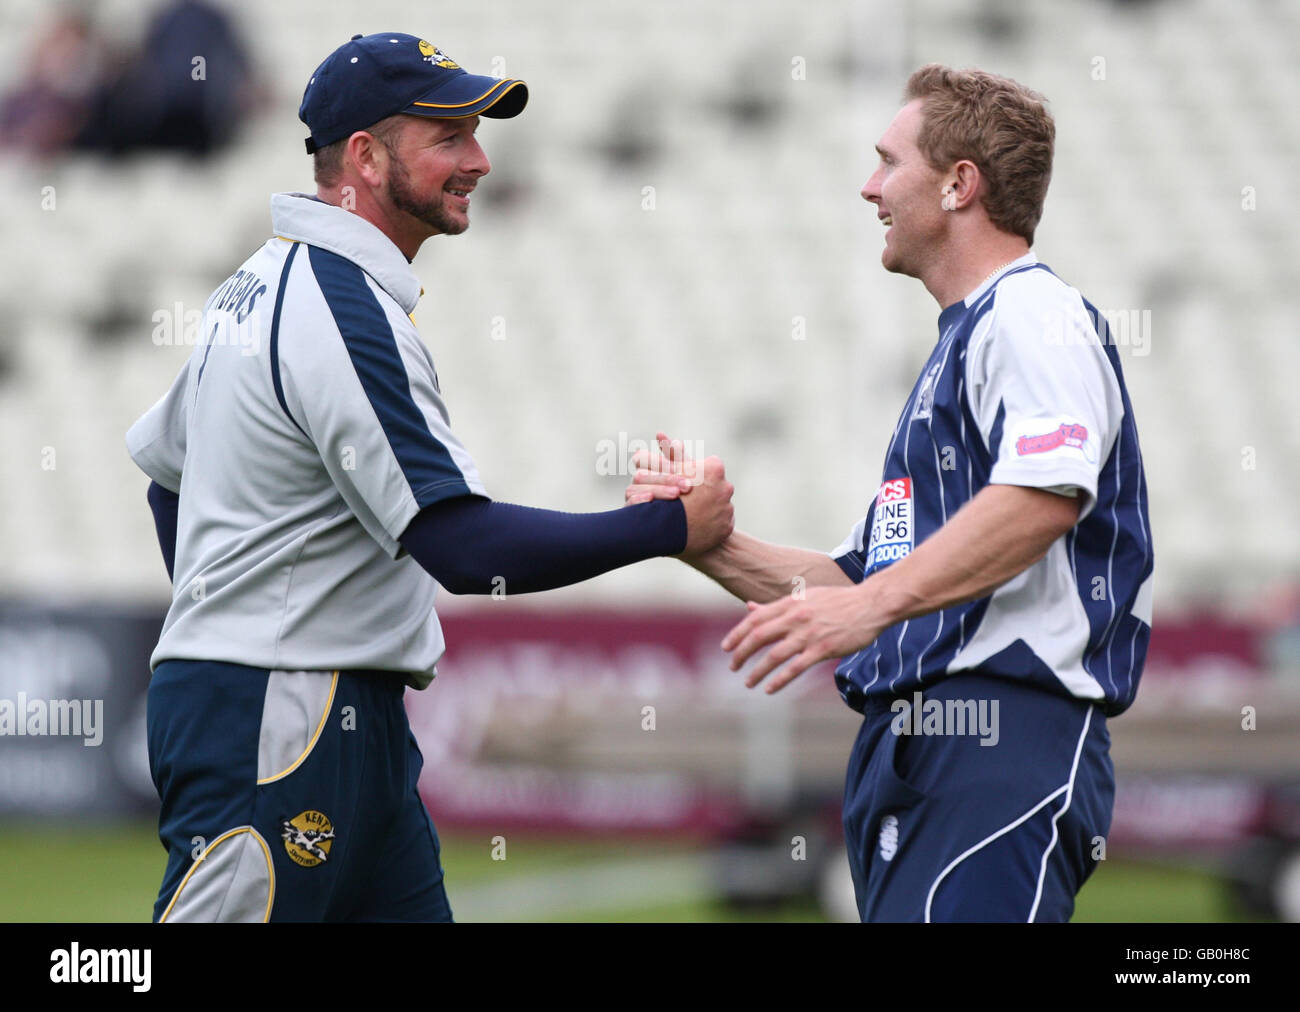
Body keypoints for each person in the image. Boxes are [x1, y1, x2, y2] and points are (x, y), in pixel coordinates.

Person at [126, 32, 734, 923]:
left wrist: (238, 612)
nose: (479, 160)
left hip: (320, 704)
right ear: (367, 159)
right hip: (280, 710)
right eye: (449, 135)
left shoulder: (259, 286)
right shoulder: (335, 304)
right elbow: (459, 543)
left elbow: (166, 481)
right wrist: (669, 529)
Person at [629, 65, 1153, 922]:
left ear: (959, 185)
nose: (868, 186)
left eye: (887, 161)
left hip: (999, 737)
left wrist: (871, 606)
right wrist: (703, 541)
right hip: (921, 749)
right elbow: (855, 579)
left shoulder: (1032, 316)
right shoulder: (967, 342)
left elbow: (1044, 497)